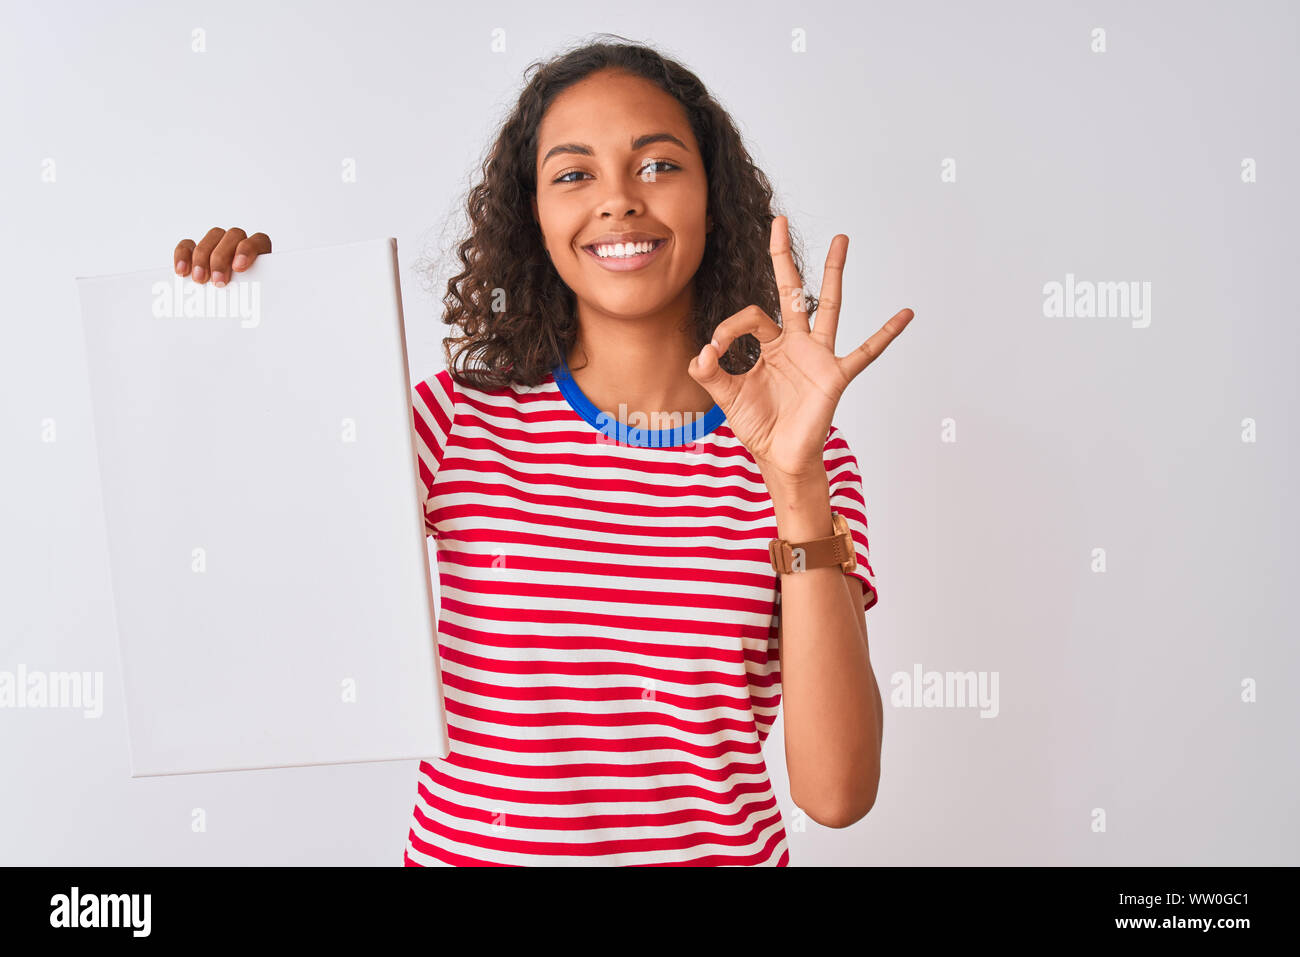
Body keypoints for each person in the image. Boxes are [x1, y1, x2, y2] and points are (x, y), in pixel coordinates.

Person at [171, 36, 914, 866]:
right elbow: (254, 548)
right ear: (534, 216)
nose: (619, 201)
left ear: (714, 198)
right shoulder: (454, 422)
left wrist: (795, 485)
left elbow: (837, 794)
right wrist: (252, 326)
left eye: (659, 165)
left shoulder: (808, 458)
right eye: (573, 174)